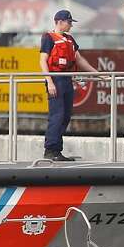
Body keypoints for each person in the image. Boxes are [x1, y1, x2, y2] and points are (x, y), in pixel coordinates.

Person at [39, 9, 99, 161]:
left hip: (67, 79)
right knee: (57, 115)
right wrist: (49, 81)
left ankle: (57, 150)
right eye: (69, 22)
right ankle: (51, 150)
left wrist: (97, 73)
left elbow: (79, 60)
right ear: (59, 22)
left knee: (65, 116)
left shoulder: (70, 40)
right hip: (56, 79)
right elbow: (43, 60)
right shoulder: (49, 38)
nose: (71, 26)